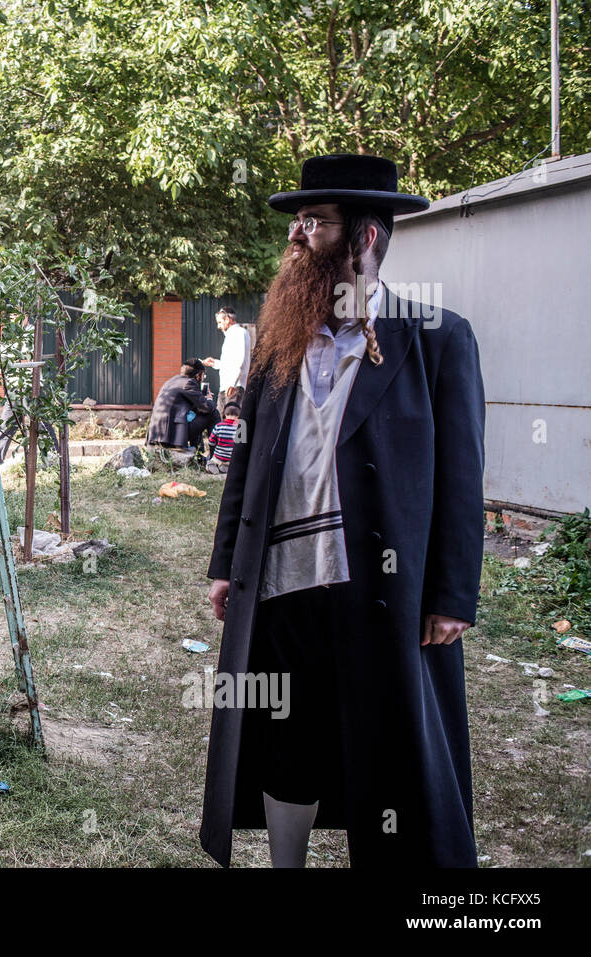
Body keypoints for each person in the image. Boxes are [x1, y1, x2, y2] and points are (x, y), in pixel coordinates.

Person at [200, 154, 485, 868]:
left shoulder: (437, 338)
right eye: (299, 222)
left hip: (387, 591)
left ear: (365, 238)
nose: (298, 236)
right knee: (285, 737)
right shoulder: (278, 339)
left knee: (385, 748)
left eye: (316, 223)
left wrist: (452, 593)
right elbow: (248, 462)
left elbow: (461, 476)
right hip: (283, 580)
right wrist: (227, 563)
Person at [146, 358, 218, 452]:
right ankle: (216, 455)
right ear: (197, 376)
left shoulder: (172, 380)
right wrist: (209, 399)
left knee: (197, 413)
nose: (202, 378)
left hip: (157, 434)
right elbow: (206, 407)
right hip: (171, 435)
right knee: (213, 413)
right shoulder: (189, 383)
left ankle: (198, 455)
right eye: (203, 375)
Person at [201, 307, 252, 415]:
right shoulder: (231, 335)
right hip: (225, 386)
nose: (218, 326)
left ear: (228, 319)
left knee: (230, 421)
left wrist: (233, 383)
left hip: (233, 386)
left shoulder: (239, 332)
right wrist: (215, 363)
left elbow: (240, 360)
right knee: (220, 420)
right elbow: (231, 363)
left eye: (220, 322)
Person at [205, 403, 240, 475]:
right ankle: (225, 466)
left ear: (225, 415)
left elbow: (211, 441)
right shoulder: (239, 428)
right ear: (237, 416)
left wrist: (213, 445)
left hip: (219, 455)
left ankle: (212, 464)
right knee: (228, 463)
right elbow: (241, 444)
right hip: (230, 457)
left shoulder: (218, 426)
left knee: (213, 459)